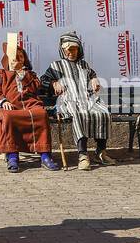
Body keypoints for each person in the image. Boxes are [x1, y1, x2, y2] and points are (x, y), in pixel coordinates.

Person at [40, 31, 111, 171]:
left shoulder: (84, 65)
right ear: (62, 50)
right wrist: (54, 83)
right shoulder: (56, 65)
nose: (70, 52)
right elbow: (43, 81)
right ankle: (83, 155)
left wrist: (94, 79)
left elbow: (91, 74)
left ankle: (100, 152)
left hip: (87, 99)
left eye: (73, 49)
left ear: (79, 49)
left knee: (103, 112)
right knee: (79, 113)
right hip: (67, 101)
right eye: (67, 50)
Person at [0, 38, 60, 172]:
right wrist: (3, 101)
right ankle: (12, 155)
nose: (18, 60)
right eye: (14, 58)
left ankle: (45, 155)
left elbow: (38, 87)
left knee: (41, 114)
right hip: (11, 106)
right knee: (9, 117)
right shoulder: (1, 74)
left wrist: (25, 76)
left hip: (30, 105)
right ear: (7, 59)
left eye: (21, 57)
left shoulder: (30, 74)